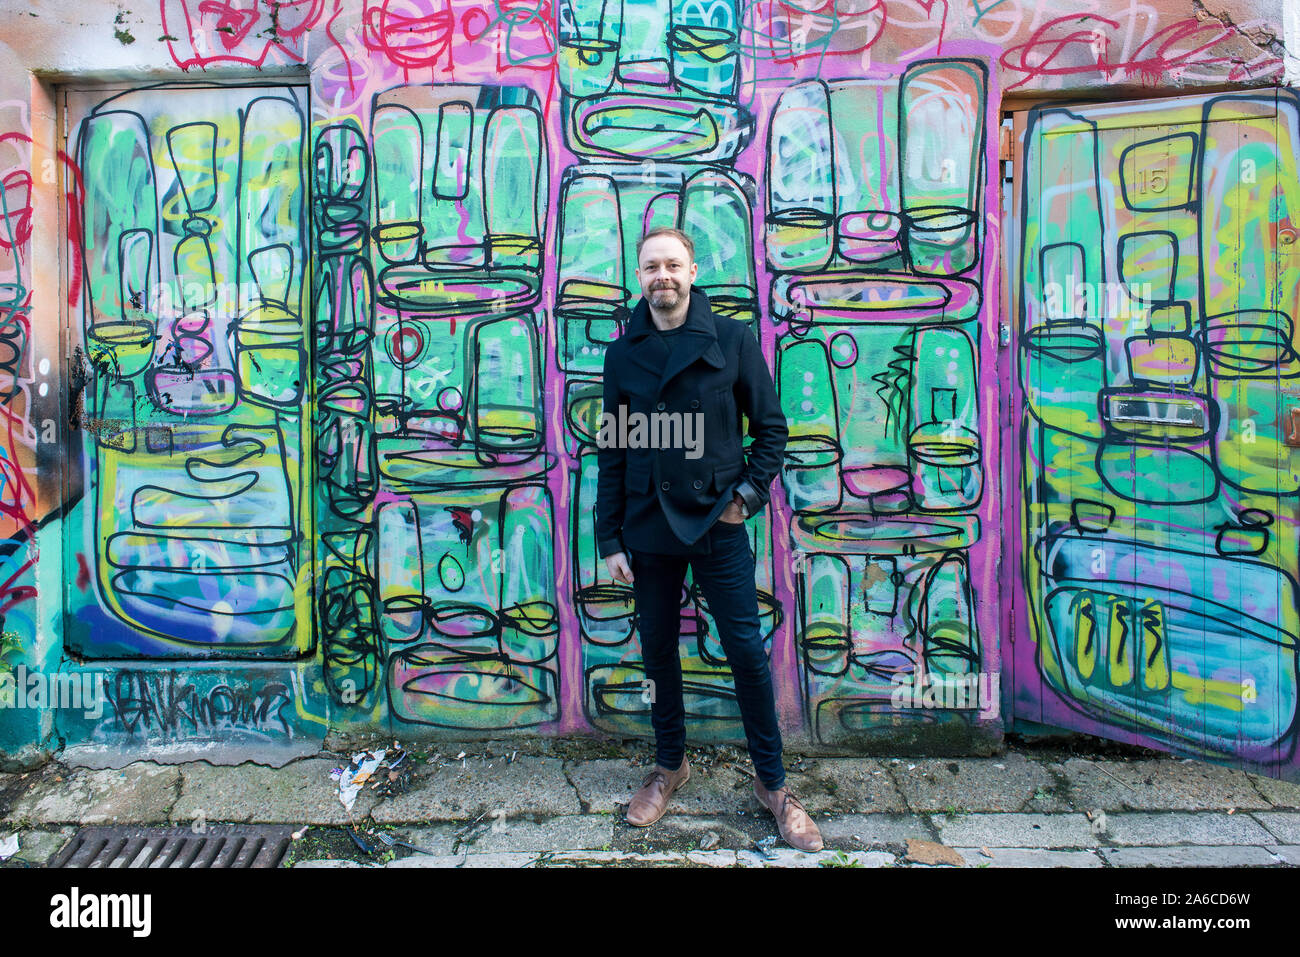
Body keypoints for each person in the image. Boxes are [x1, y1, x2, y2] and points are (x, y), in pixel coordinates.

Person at [594, 226, 822, 852]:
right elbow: (612, 450)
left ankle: (773, 785)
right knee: (659, 651)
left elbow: (770, 431)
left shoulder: (731, 339)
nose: (660, 276)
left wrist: (744, 501)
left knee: (745, 651)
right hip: (648, 527)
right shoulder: (622, 355)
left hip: (718, 523)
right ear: (638, 278)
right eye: (649, 268)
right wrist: (608, 536)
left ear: (692, 270)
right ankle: (670, 768)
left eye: (671, 265)